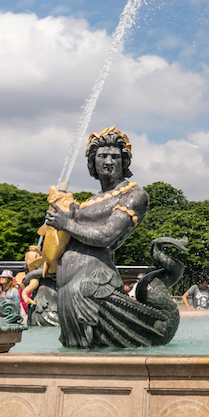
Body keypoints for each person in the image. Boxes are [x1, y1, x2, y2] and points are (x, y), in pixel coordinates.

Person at [45, 127, 181, 348]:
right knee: (77, 354)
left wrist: (67, 223)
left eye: (115, 157)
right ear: (93, 162)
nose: (108, 161)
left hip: (92, 285)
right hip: (72, 286)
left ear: (124, 162)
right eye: (102, 156)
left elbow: (108, 235)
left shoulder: (133, 195)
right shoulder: (90, 200)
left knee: (94, 354)